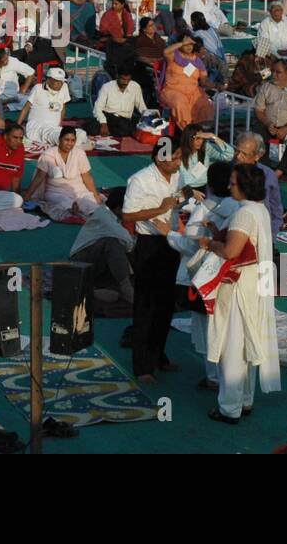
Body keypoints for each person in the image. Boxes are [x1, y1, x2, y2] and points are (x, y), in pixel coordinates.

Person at [201, 163, 281, 424]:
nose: (228, 186)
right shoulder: (259, 210)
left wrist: (210, 243)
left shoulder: (244, 213)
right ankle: (245, 400)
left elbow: (231, 252)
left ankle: (229, 408)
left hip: (237, 286)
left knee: (233, 347)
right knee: (247, 343)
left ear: (245, 186)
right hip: (254, 283)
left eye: (233, 183)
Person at [123, 142, 183, 384]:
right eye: (174, 158)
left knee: (167, 304)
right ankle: (142, 366)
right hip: (149, 244)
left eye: (179, 157)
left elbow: (178, 201)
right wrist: (159, 209)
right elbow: (127, 215)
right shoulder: (139, 180)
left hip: (171, 242)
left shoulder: (178, 177)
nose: (178, 162)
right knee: (145, 306)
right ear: (159, 159)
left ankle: (158, 356)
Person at [25, 126, 101, 220]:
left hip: (79, 191)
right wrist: (27, 196)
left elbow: (87, 177)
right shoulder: (48, 154)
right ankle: (72, 209)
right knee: (64, 205)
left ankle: (78, 208)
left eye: (72, 140)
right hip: (57, 192)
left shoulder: (79, 153)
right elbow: (39, 177)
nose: (69, 143)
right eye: (66, 140)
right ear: (59, 139)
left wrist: (96, 196)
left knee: (91, 205)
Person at [159, 36, 215, 130]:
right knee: (180, 102)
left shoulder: (198, 61)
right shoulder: (173, 56)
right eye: (186, 44)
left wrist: (216, 85)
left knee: (204, 102)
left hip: (193, 92)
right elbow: (165, 52)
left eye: (191, 44)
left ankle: (202, 131)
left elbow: (203, 80)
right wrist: (182, 43)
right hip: (173, 91)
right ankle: (187, 131)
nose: (189, 46)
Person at [18, 67, 78, 148]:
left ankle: (67, 142)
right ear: (48, 79)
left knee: (79, 134)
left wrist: (59, 124)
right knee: (55, 136)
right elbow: (26, 108)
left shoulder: (64, 87)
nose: (59, 84)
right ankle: (67, 143)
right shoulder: (38, 88)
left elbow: (62, 108)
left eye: (61, 81)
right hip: (37, 128)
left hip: (55, 128)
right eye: (57, 81)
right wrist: (17, 126)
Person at [90, 65, 147, 137]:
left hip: (123, 121)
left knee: (128, 129)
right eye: (123, 79)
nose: (126, 83)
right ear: (117, 76)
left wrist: (149, 117)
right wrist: (103, 123)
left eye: (128, 80)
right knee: (92, 128)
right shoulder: (107, 87)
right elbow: (97, 107)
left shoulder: (135, 87)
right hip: (107, 117)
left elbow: (141, 106)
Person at [0, 45, 36, 110]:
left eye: (7, 58)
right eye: (4, 61)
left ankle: (4, 106)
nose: (7, 61)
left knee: (29, 101)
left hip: (12, 95)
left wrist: (23, 90)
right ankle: (4, 105)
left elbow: (31, 72)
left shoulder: (13, 61)